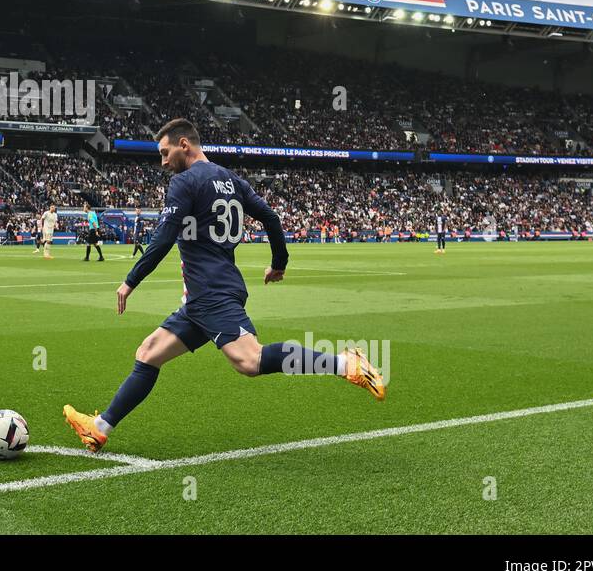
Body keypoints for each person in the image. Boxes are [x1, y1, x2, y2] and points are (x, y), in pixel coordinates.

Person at [63, 119, 386, 453]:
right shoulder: (232, 180)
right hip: (203, 297)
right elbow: (272, 219)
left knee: (250, 361)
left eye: (164, 152)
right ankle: (99, 429)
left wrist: (131, 281)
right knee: (148, 353)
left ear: (184, 144)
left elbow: (163, 238)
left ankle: (345, 363)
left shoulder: (184, 183)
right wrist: (279, 264)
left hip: (211, 293)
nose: (162, 161)